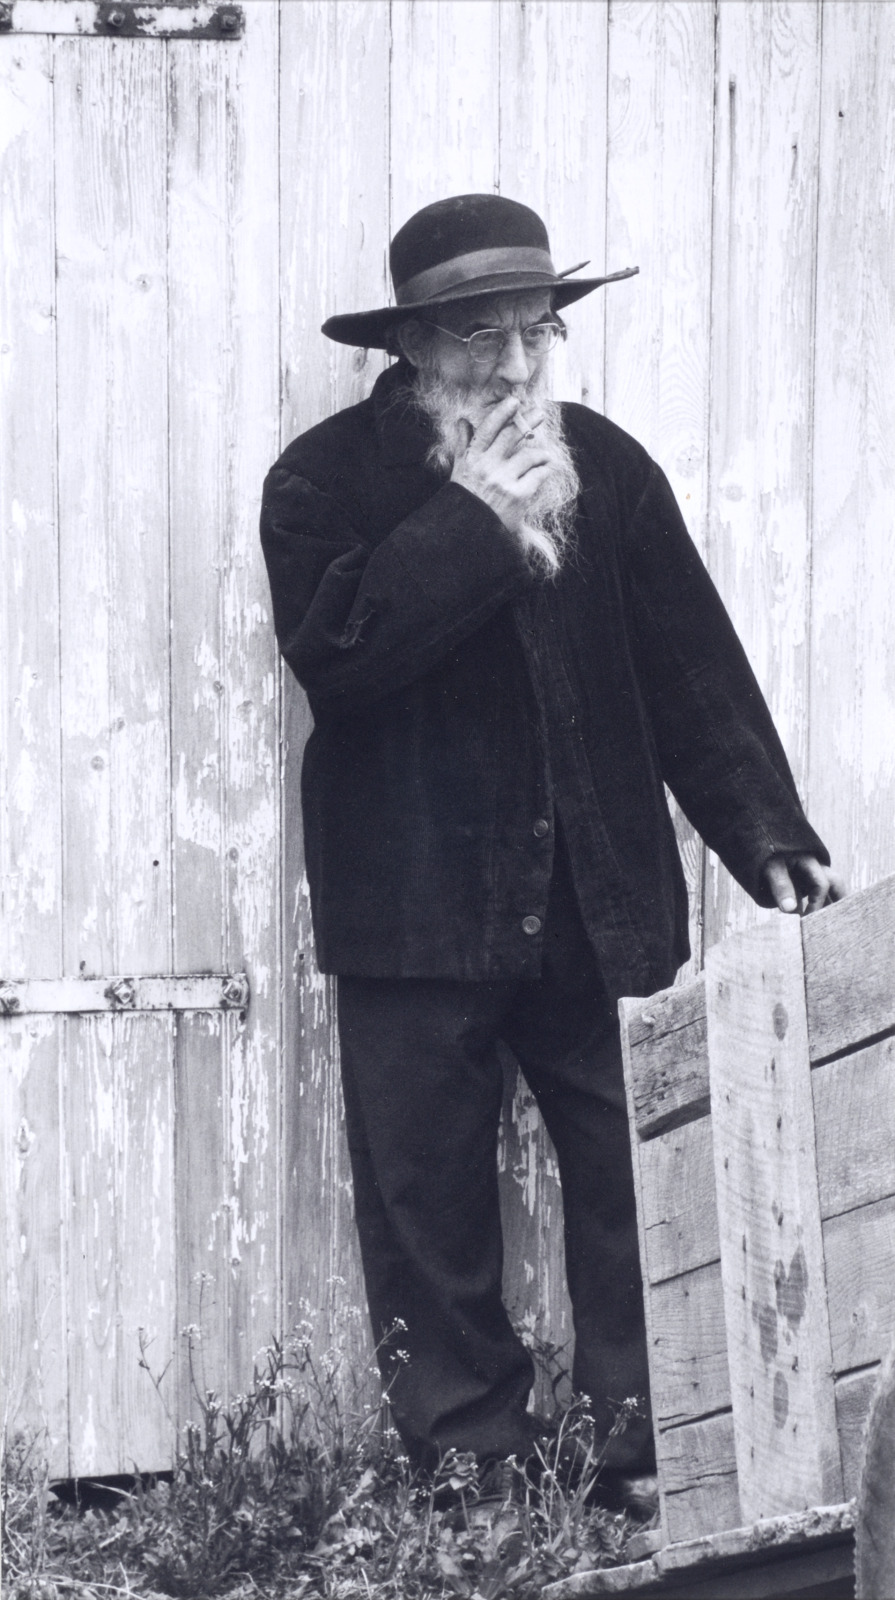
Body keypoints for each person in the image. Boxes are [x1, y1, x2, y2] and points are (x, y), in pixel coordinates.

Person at [259, 194, 842, 1509]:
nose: (516, 369)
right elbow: (339, 661)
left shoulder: (612, 467)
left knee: (639, 1178)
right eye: (481, 340)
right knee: (428, 1207)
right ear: (412, 344)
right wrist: (472, 518)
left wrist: (768, 838)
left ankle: (642, 1447)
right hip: (414, 908)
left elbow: (690, 667)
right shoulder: (320, 482)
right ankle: (471, 1464)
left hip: (604, 894)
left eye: (535, 335)